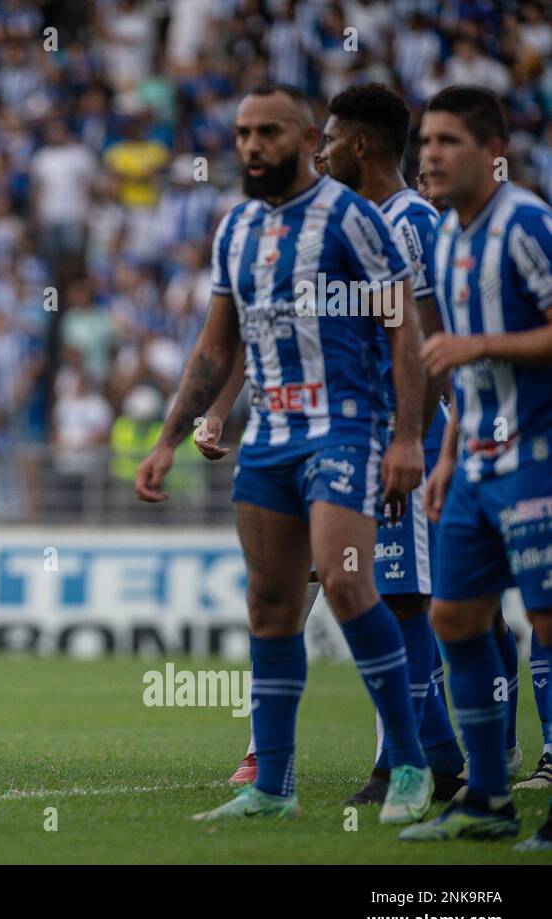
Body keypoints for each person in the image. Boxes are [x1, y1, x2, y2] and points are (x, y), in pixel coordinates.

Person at [136, 85, 433, 824]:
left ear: (308, 140)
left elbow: (405, 332)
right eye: (241, 133)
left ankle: (410, 762)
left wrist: (407, 434)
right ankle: (272, 785)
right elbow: (215, 347)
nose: (251, 146)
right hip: (268, 435)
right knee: (269, 604)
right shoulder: (235, 230)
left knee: (343, 579)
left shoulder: (358, 221)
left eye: (269, 132)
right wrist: (171, 436)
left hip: (346, 427)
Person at [400, 86, 552, 848]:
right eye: (425, 140)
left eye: (448, 141)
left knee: (549, 622)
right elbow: (462, 374)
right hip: (475, 460)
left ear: (492, 152)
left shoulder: (527, 223)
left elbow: (479, 351)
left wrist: (480, 346)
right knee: (454, 617)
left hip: (538, 457)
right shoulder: (448, 240)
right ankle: (488, 797)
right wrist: (447, 458)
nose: (430, 154)